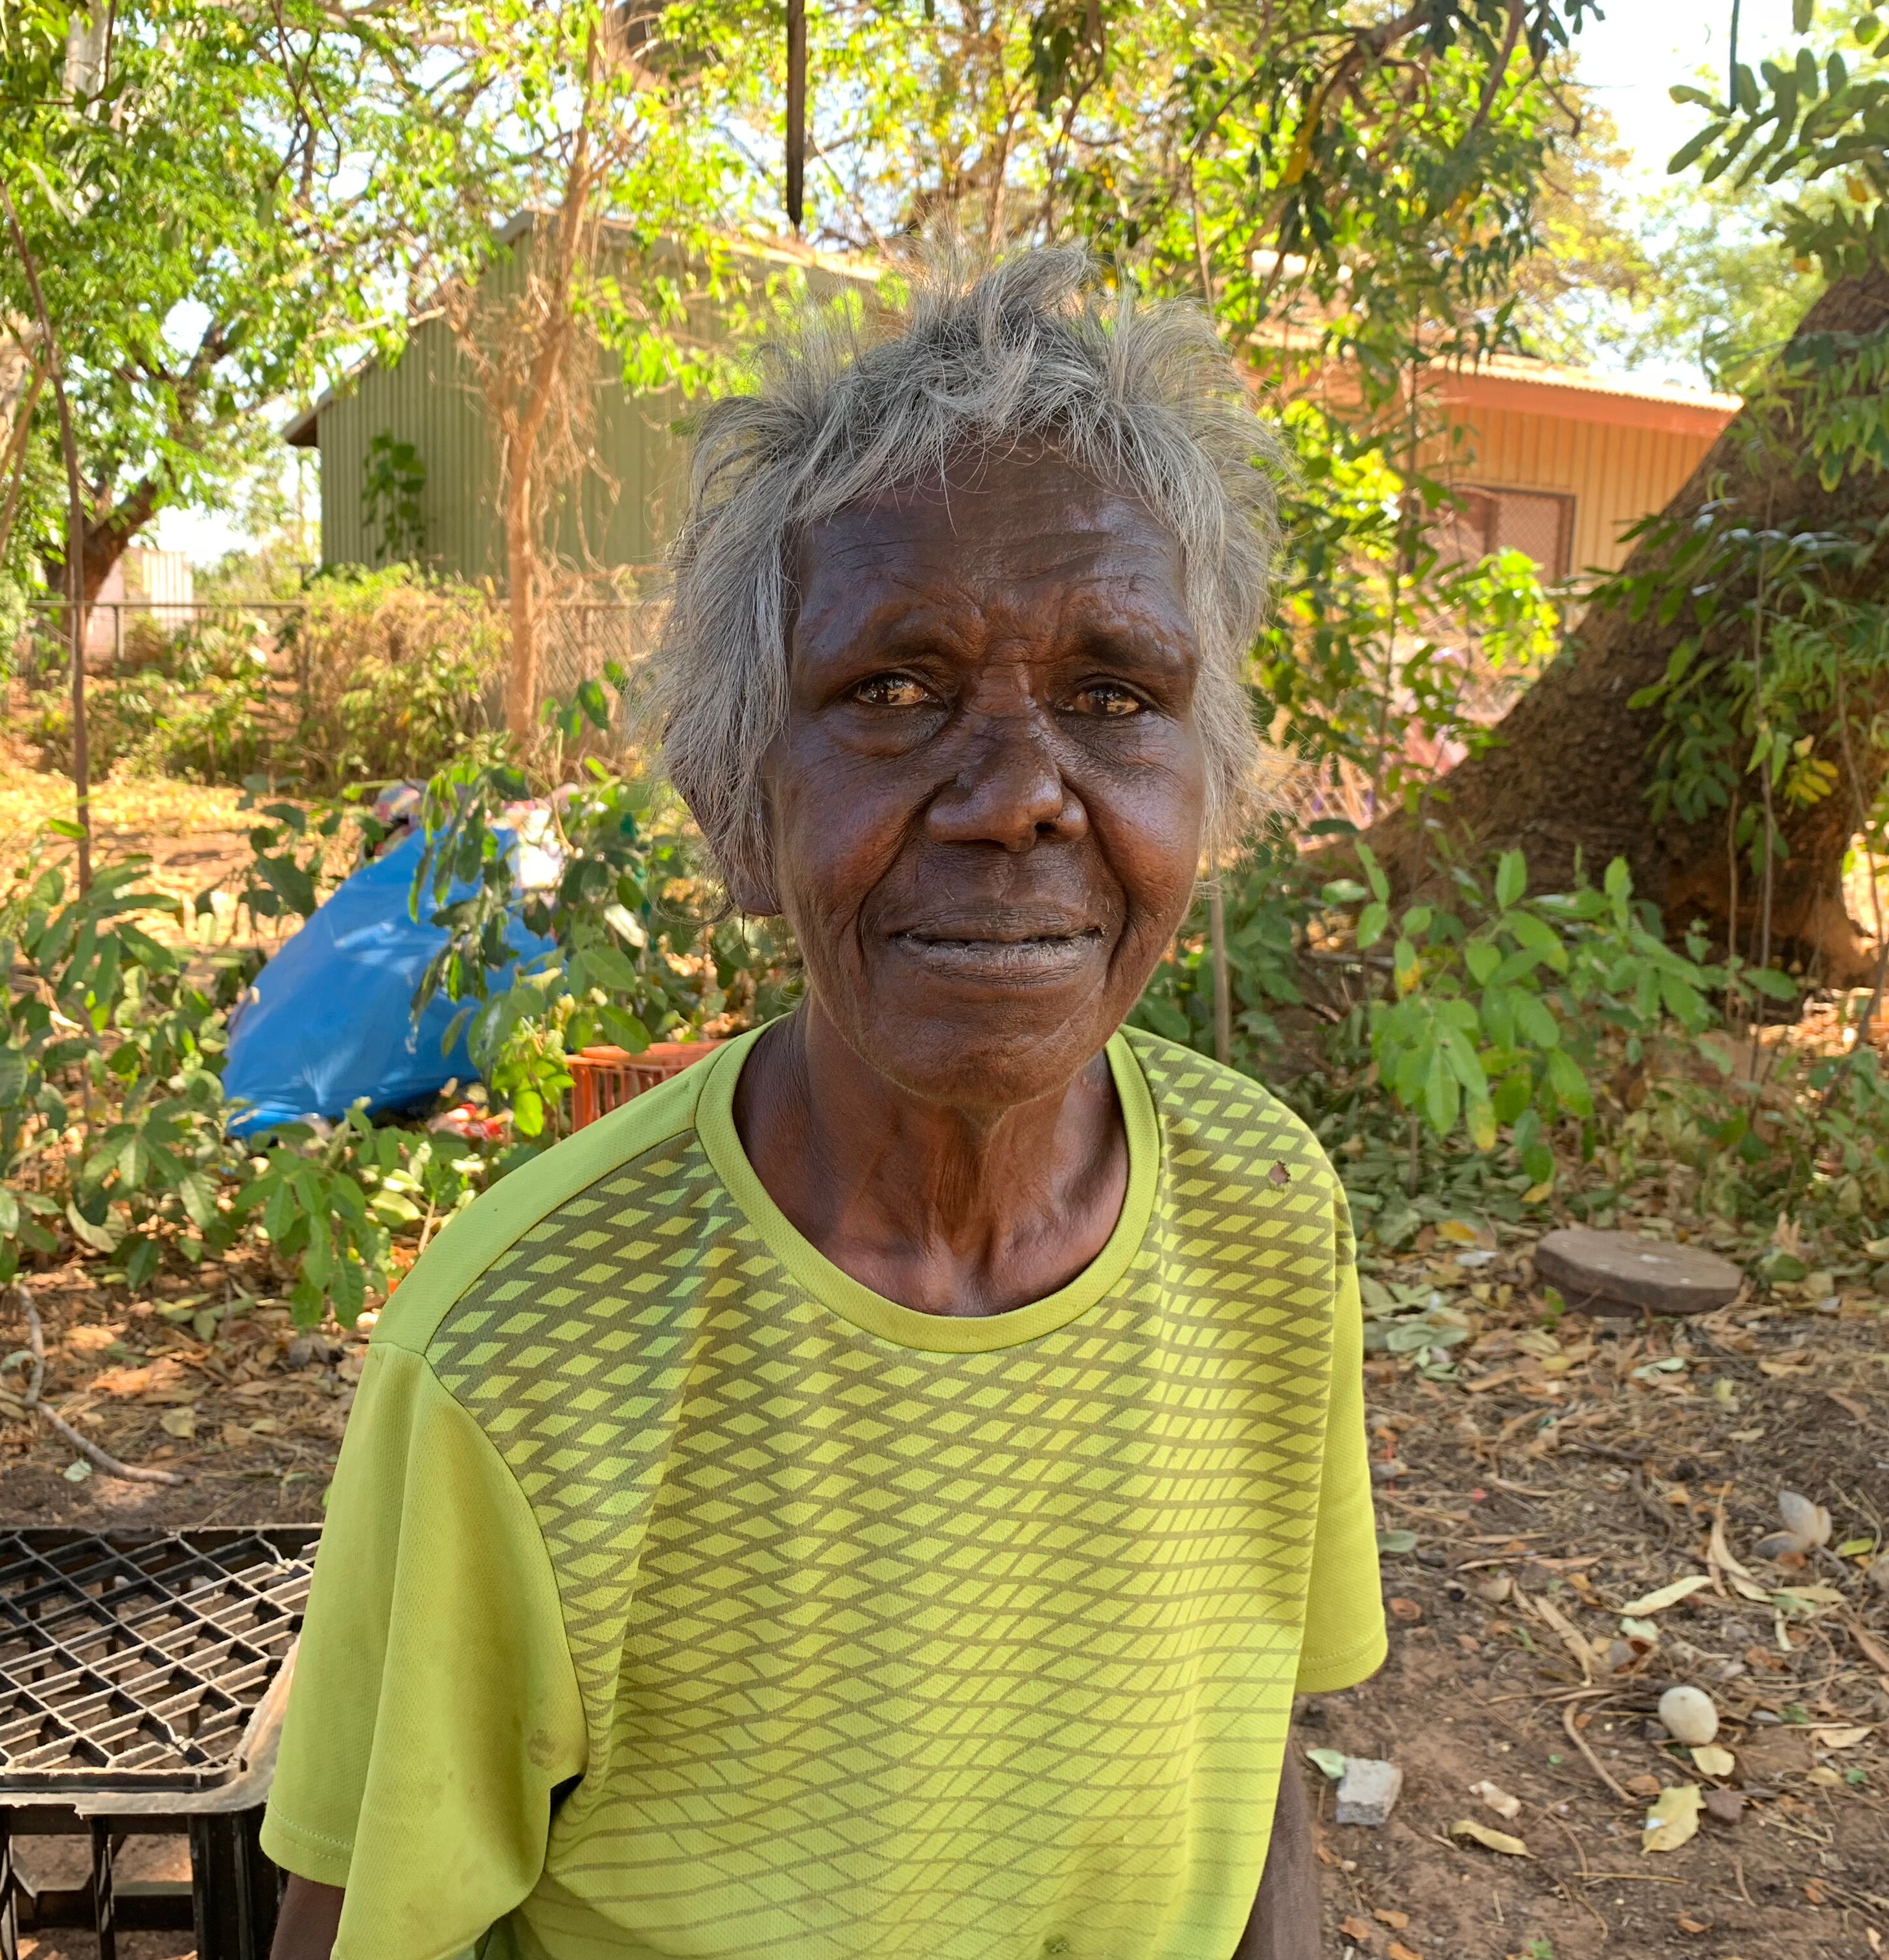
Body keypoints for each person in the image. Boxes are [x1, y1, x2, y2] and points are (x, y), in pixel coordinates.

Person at [262, 248, 1385, 1960]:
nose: (1017, 796)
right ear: (735, 809)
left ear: (1204, 788)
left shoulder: (1267, 1212)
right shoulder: (524, 1351)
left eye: (1114, 697)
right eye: (892, 691)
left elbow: (1252, 1768)